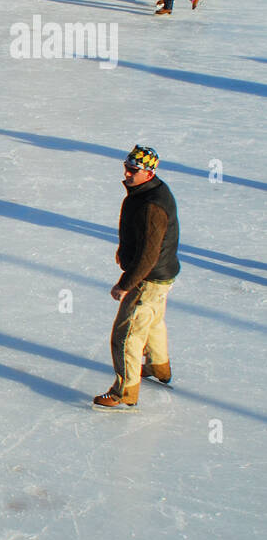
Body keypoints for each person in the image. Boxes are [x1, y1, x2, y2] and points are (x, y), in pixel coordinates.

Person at [94, 146, 180, 409]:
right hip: (161, 275)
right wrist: (124, 249)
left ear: (149, 172)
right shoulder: (149, 191)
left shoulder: (152, 205)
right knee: (153, 322)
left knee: (126, 335)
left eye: (134, 170)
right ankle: (158, 366)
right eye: (126, 167)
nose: (127, 173)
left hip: (149, 279)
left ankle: (124, 391)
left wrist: (125, 284)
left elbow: (148, 254)